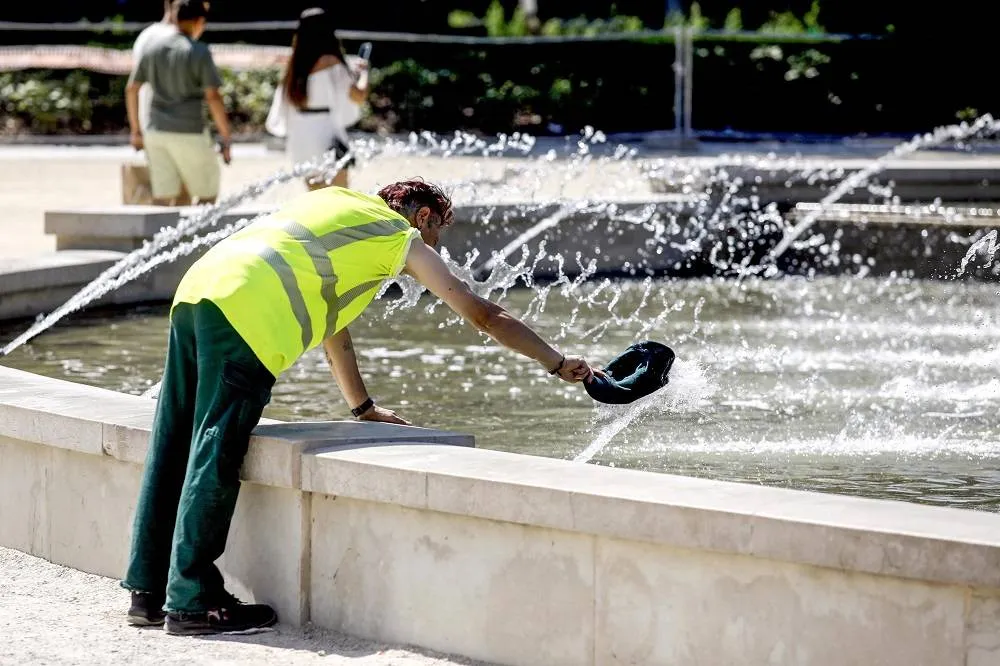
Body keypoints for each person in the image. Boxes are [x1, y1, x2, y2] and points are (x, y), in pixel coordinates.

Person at [122, 180, 597, 635]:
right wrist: (555, 362)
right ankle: (193, 600)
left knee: (174, 440)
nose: (435, 248)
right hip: (249, 312)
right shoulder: (399, 237)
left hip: (199, 290)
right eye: (437, 235)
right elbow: (483, 315)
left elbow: (335, 332)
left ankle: (145, 589)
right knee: (216, 450)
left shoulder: (337, 207)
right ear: (423, 215)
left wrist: (363, 408)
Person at [125, 0, 232, 206]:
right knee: (207, 193)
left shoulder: (152, 48)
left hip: (155, 131)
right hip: (189, 129)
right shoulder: (199, 51)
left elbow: (132, 89)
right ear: (198, 21)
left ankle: (159, 238)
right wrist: (225, 136)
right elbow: (213, 97)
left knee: (162, 198)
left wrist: (136, 130)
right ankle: (200, 238)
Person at [265, 7, 369, 191]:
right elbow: (358, 96)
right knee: (340, 198)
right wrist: (364, 73)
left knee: (316, 203)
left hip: (300, 138)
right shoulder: (331, 61)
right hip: (325, 136)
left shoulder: (294, 65)